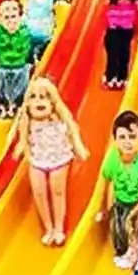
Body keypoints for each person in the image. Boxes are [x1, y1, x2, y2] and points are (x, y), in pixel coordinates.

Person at [11, 75, 90, 246]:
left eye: (44, 97)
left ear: (52, 102)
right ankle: (49, 227)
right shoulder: (28, 120)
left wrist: (78, 148)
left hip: (59, 158)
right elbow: (23, 138)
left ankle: (59, 228)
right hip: (37, 159)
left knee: (57, 190)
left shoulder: (58, 117)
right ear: (28, 104)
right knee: (39, 191)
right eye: (34, 97)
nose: (39, 101)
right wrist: (21, 148)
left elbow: (72, 130)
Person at [98, 110, 138, 268]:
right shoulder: (112, 159)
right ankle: (122, 251)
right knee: (118, 227)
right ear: (114, 140)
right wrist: (104, 209)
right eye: (122, 137)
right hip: (120, 202)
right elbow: (106, 183)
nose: (127, 142)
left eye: (132, 137)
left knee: (136, 227)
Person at [0, 0, 32, 120]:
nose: (10, 21)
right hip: (3, 66)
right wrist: (8, 37)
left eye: (14, 17)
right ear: (0, 19)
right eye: (6, 18)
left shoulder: (24, 31)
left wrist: (13, 36)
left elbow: (24, 52)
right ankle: (0, 104)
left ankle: (16, 104)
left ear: (20, 18)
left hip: (20, 66)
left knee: (24, 74)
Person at [103, 0, 138, 90]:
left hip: (127, 31)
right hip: (113, 31)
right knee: (113, 55)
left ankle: (122, 77)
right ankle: (111, 77)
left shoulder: (134, 2)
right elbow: (102, 16)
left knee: (124, 55)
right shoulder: (110, 2)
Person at [23, 0, 57, 64]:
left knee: (45, 47)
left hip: (45, 34)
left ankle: (38, 57)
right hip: (29, 35)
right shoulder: (29, 2)